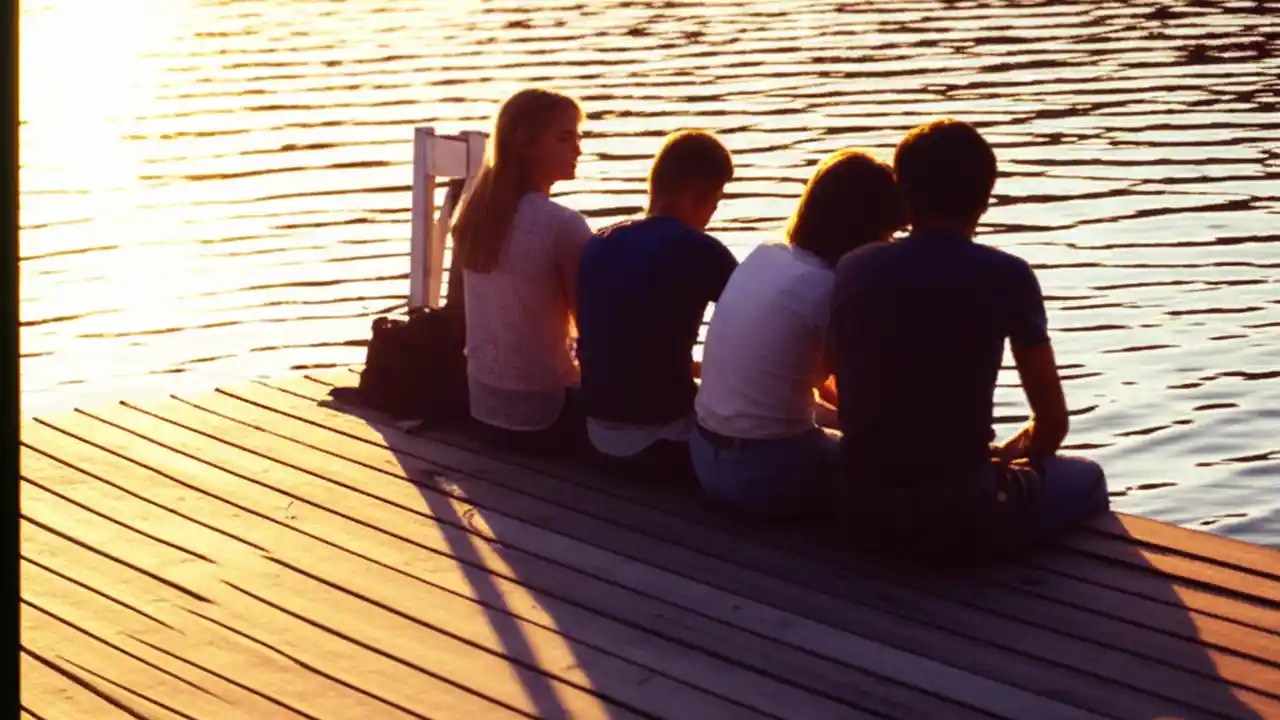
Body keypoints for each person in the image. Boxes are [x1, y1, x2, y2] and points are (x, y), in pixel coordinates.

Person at [829, 119, 1108, 560]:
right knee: (1087, 477)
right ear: (985, 198)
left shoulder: (854, 267)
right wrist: (1013, 452)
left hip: (858, 512)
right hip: (960, 520)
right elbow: (1052, 424)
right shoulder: (1008, 276)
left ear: (903, 194)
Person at [691, 150, 906, 518]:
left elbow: (799, 382)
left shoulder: (767, 255)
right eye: (888, 233)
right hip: (767, 474)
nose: (888, 246)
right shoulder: (827, 288)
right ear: (868, 229)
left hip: (706, 460)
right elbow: (861, 405)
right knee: (897, 465)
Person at [575, 130, 737, 480]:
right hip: (666, 438)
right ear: (699, 197)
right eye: (716, 201)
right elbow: (757, 326)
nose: (712, 213)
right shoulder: (699, 249)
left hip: (598, 433)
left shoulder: (600, 241)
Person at [450, 88, 592, 454]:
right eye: (564, 139)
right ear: (526, 145)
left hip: (483, 405)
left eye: (578, 137)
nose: (578, 150)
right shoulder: (562, 225)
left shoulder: (475, 213)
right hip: (546, 414)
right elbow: (593, 325)